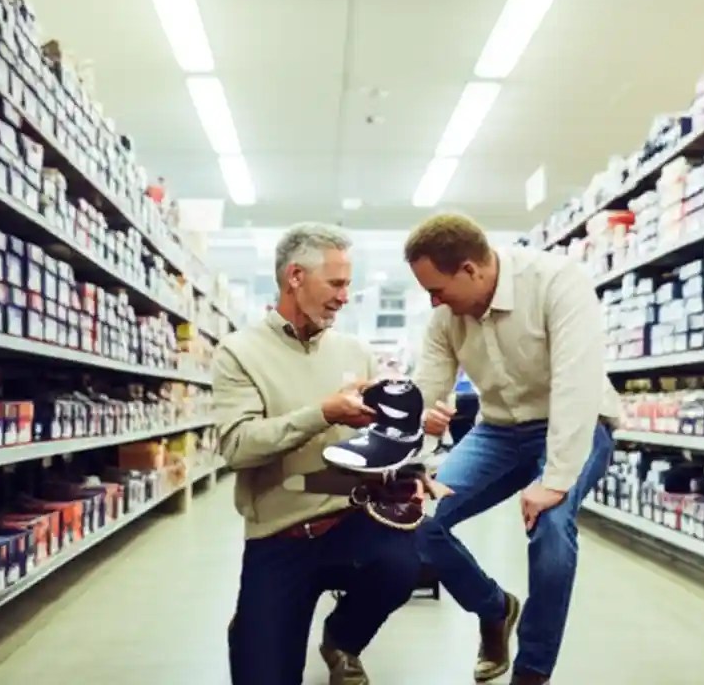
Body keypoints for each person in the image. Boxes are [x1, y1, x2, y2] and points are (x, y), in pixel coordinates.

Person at [404, 213, 619, 685]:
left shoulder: (557, 283)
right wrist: (418, 416)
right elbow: (427, 385)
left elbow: (575, 388)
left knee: (551, 529)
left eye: (437, 289)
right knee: (417, 518)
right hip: (499, 430)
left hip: (577, 424)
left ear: (471, 270)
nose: (433, 301)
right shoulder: (446, 316)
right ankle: (494, 608)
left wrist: (555, 480)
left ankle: (532, 671)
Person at [213, 223, 420, 685]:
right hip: (279, 535)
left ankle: (340, 637)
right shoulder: (239, 353)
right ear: (295, 277)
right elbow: (238, 447)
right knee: (262, 673)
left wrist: (409, 435)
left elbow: (379, 442)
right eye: (337, 283)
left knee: (406, 561)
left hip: (349, 520)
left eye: (348, 283)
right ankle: (256, 627)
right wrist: (322, 413)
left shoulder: (355, 351)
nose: (346, 296)